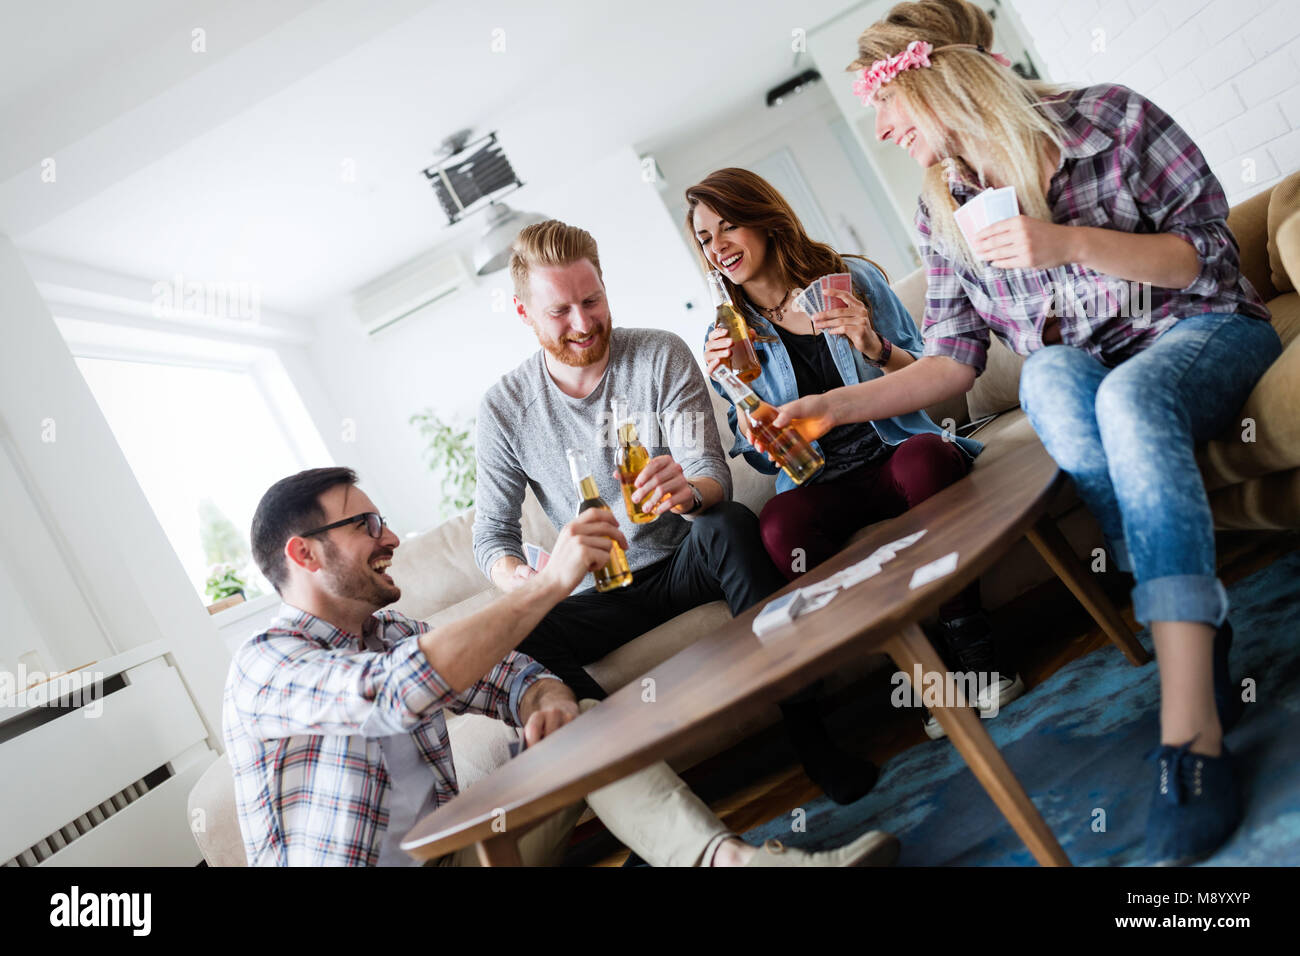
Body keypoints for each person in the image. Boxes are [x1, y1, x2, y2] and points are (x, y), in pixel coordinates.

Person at [762, 0, 1281, 865]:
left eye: (884, 107)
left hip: (1204, 333)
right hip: (1096, 373)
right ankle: (1195, 628)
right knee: (1046, 376)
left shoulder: (1110, 119)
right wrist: (826, 409)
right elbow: (953, 364)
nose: (883, 131)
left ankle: (1190, 728)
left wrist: (1066, 242)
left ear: (929, 83)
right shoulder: (943, 213)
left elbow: (1206, 256)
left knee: (1124, 402)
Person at [223, 466, 899, 867]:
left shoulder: (389, 630)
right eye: (366, 525)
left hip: (461, 858)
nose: (391, 537)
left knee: (584, 721)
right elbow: (393, 693)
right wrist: (548, 585)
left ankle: (731, 863)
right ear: (305, 556)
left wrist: (544, 699)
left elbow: (510, 674)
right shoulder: (264, 666)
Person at [472, 219, 876, 805]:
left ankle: (815, 741)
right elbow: (492, 535)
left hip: (682, 561)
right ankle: (646, 794)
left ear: (605, 287)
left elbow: (713, 478)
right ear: (524, 314)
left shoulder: (658, 354)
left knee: (729, 526)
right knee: (516, 632)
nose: (583, 324)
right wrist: (523, 579)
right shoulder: (504, 408)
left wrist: (687, 491)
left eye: (592, 300)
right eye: (560, 312)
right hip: (595, 596)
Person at [687, 167, 1024, 745]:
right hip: (820, 484)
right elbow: (762, 462)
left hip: (892, 452)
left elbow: (938, 376)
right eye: (704, 239)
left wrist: (875, 345)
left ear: (765, 219)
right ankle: (927, 669)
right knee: (778, 526)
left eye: (729, 226)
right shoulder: (727, 338)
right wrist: (751, 423)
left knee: (927, 458)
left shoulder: (852, 279)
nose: (718, 248)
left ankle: (973, 644)